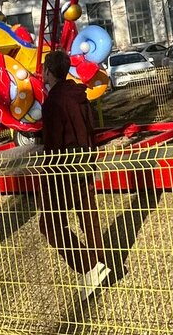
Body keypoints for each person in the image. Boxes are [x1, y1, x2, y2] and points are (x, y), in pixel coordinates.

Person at [38, 49, 111, 297]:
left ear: (48, 72)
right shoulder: (80, 96)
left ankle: (89, 266)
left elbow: (53, 144)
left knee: (49, 223)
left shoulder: (54, 103)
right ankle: (101, 265)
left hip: (65, 169)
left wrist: (48, 176)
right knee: (88, 218)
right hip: (86, 164)